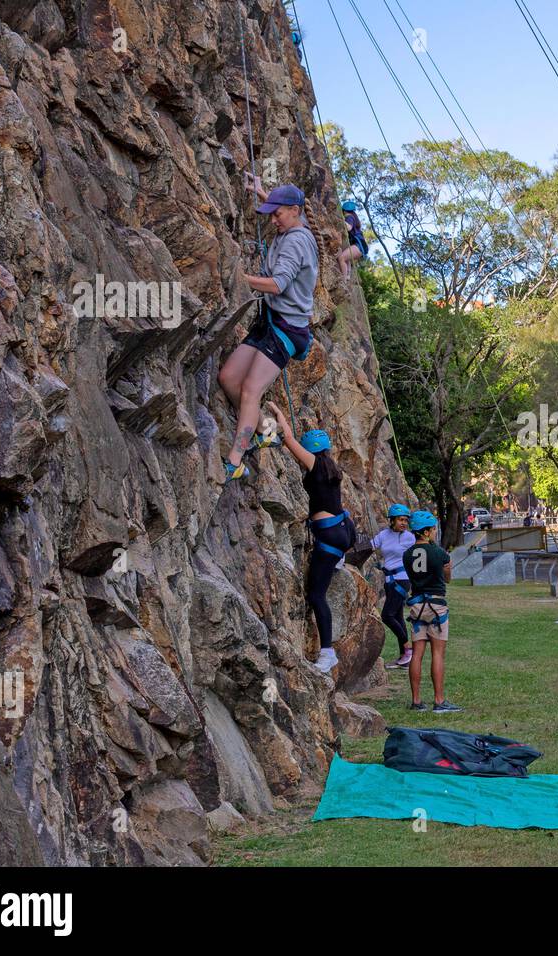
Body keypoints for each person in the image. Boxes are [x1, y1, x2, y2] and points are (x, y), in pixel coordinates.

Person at [220, 179, 319, 481]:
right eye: (271, 214)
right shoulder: (291, 225)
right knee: (228, 377)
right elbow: (285, 210)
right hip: (271, 321)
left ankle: (235, 459)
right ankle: (265, 429)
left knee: (251, 390)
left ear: (295, 210)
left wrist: (240, 276)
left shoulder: (296, 241)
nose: (273, 220)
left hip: (287, 330)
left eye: (277, 214)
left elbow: (278, 284)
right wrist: (265, 195)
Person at [263, 402, 356, 675]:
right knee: (323, 578)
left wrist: (279, 414)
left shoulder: (314, 465)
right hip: (343, 530)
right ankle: (337, 561)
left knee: (317, 595)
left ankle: (327, 653)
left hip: (329, 536)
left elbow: (289, 440)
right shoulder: (331, 469)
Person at [403, 510, 461, 713]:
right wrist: (446, 568)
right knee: (437, 654)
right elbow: (447, 578)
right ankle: (439, 700)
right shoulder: (440, 554)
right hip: (436, 606)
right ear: (426, 532)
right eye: (434, 529)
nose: (436, 532)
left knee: (417, 654)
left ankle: (416, 701)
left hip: (417, 607)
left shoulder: (407, 554)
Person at [371, 504, 416, 668]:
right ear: (392, 520)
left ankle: (407, 649)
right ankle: (405, 659)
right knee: (397, 617)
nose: (404, 523)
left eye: (406, 520)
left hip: (402, 579)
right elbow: (371, 545)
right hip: (389, 580)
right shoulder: (383, 535)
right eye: (400, 520)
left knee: (387, 616)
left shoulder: (410, 538)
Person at [337, 200, 367, 277]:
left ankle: (343, 280)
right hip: (361, 246)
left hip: (359, 245)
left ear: (344, 211)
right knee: (346, 258)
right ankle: (347, 277)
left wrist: (341, 220)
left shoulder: (349, 216)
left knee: (341, 258)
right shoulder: (354, 217)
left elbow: (349, 228)